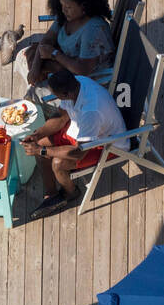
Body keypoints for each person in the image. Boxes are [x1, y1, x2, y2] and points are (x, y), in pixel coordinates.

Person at [22, 69, 128, 217]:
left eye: (57, 96)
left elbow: (78, 153)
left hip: (106, 144)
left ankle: (70, 192)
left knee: (57, 163)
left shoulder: (92, 112)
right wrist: (37, 134)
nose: (56, 98)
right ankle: (51, 194)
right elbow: (61, 117)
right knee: (40, 142)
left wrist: (42, 150)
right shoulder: (76, 82)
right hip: (82, 130)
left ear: (66, 94)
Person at [18, 0, 116, 88]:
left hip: (88, 80)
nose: (64, 10)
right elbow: (47, 40)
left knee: (34, 89)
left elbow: (83, 69)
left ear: (84, 7)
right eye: (62, 5)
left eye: (68, 7)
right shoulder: (67, 16)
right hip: (66, 62)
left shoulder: (93, 30)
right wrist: (35, 69)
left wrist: (54, 54)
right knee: (25, 56)